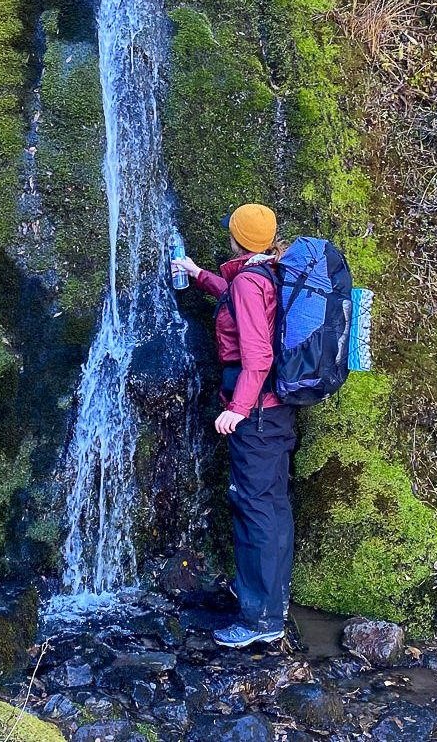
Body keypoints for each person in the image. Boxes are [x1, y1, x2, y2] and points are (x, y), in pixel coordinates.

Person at [171, 203, 295, 647]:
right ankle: (274, 603)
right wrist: (198, 274)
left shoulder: (249, 281)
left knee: (253, 509)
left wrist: (237, 409)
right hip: (276, 412)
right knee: (273, 507)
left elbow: (257, 356)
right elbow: (236, 298)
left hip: (256, 416)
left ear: (237, 239)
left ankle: (259, 620)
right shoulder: (268, 273)